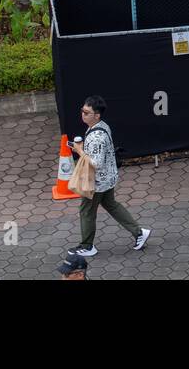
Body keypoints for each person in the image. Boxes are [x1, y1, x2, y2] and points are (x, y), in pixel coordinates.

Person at [69, 96, 151, 257]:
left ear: (97, 115)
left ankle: (87, 246)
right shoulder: (102, 126)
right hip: (108, 178)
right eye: (82, 111)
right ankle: (139, 232)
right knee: (111, 204)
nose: (83, 114)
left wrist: (79, 150)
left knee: (86, 211)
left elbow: (96, 163)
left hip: (97, 182)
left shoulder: (96, 136)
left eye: (86, 112)